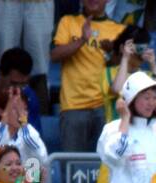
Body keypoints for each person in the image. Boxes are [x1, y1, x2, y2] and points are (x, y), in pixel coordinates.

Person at [49, 0, 121, 153]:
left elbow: (126, 66)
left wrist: (112, 52)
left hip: (105, 106)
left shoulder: (119, 30)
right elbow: (54, 55)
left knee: (107, 162)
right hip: (73, 106)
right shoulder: (68, 21)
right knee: (72, 165)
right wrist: (81, 40)